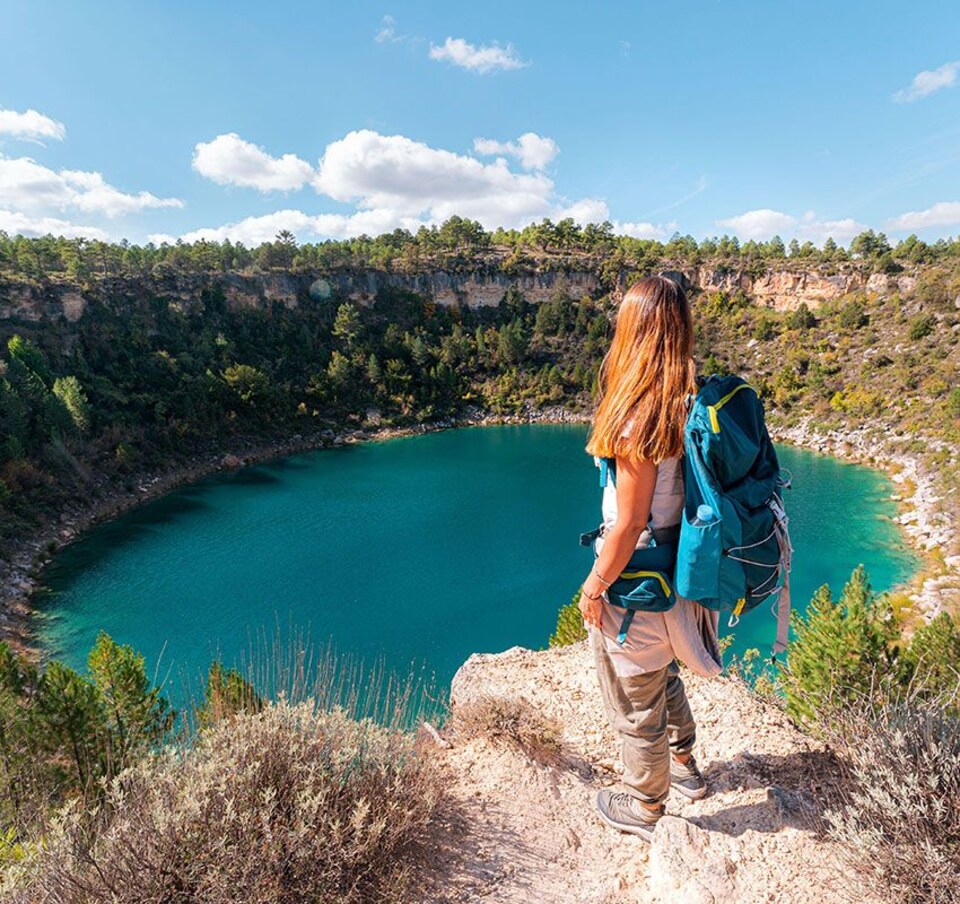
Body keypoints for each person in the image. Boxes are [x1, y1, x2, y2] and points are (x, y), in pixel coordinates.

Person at [579, 275, 722, 839]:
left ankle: (645, 807)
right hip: (682, 574)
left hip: (639, 584)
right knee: (662, 676)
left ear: (632, 330)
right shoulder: (690, 400)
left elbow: (630, 522)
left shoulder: (639, 415)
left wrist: (593, 586)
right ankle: (685, 767)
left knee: (635, 697)